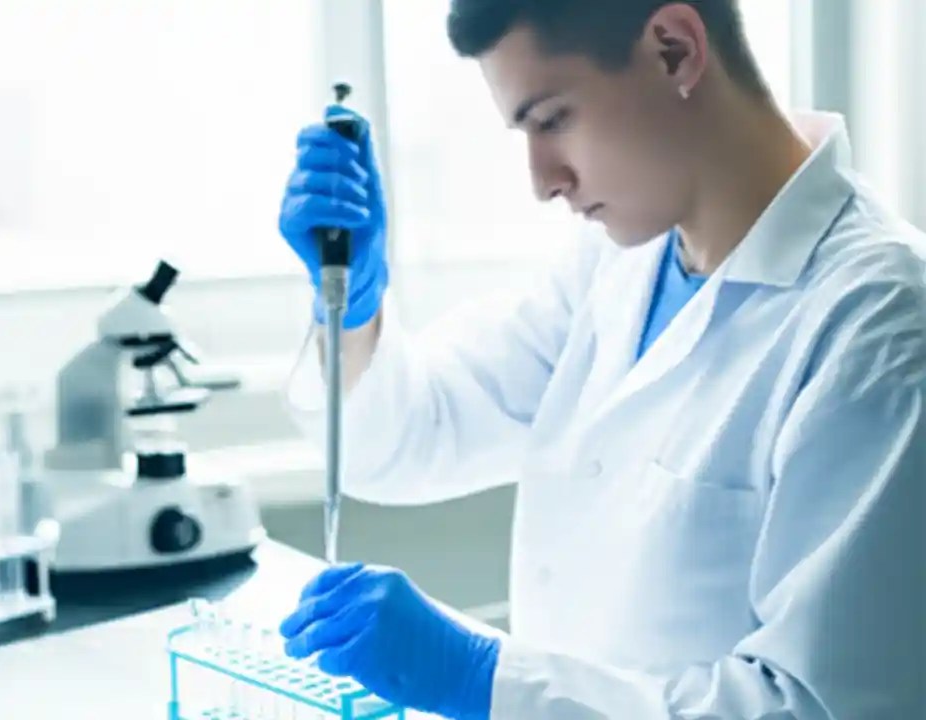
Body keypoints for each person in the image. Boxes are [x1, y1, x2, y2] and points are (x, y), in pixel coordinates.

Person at [272, 1, 926, 718]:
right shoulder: (618, 265)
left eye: (552, 120)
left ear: (674, 50)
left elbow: (819, 706)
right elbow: (399, 439)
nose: (542, 179)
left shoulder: (881, 325)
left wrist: (477, 676)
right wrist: (353, 302)